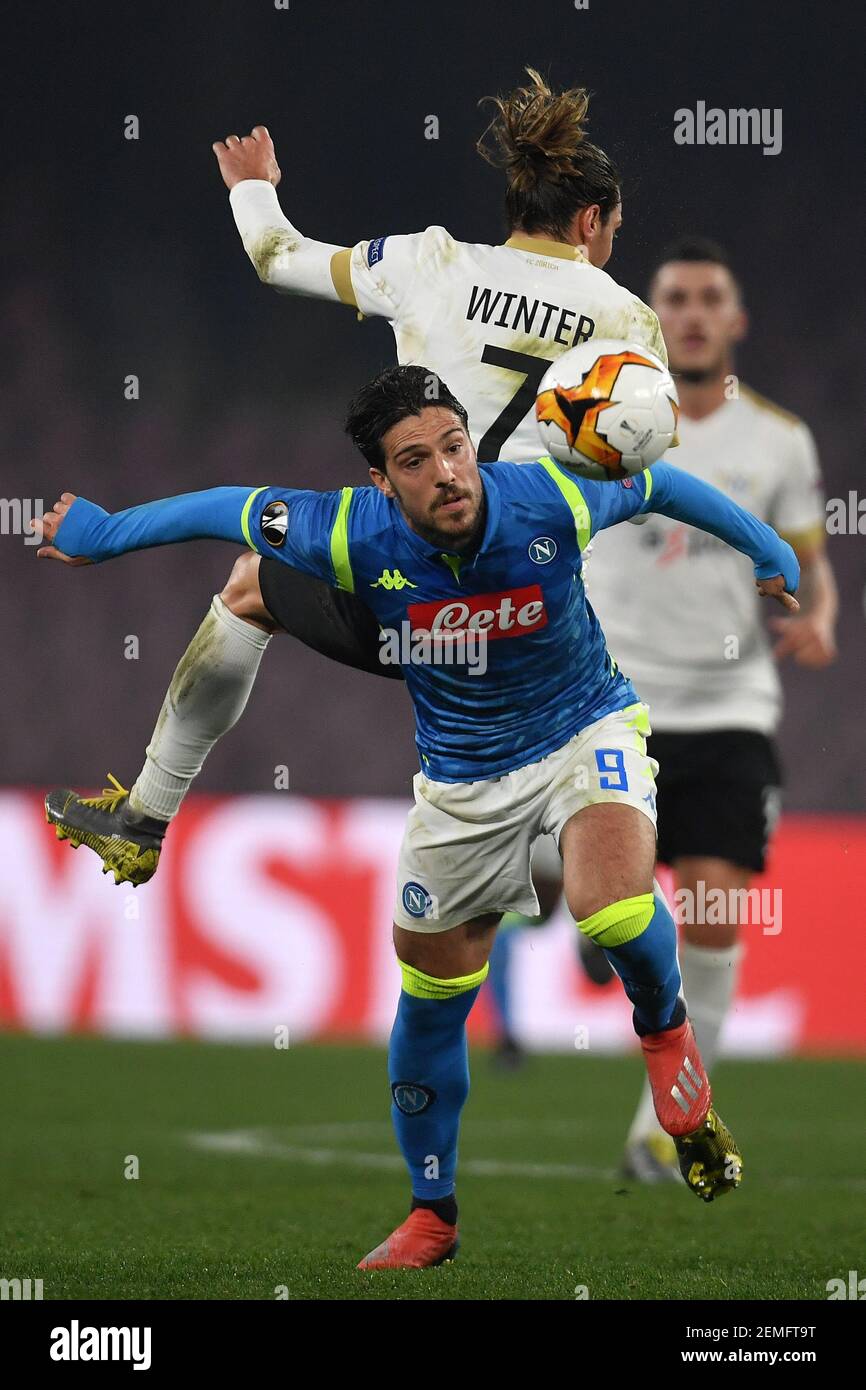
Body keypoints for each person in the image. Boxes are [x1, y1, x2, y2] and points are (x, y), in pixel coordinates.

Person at [37, 365, 801, 1266]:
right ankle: (432, 1216)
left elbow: (662, 483)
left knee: (613, 908)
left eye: (453, 446)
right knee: (431, 1009)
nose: (447, 472)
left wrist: (769, 551)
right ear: (382, 480)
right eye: (416, 460)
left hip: (583, 731)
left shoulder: (553, 492)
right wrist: (100, 533)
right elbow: (220, 508)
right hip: (462, 788)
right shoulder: (342, 532)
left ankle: (669, 1040)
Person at [40, 70, 665, 901]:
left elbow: (277, 258)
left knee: (249, 586)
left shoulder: (429, 264)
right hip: (536, 622)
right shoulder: (627, 320)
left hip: (410, 601)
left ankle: (147, 819)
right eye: (614, 228)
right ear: (591, 222)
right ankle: (570, 860)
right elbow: (638, 473)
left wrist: (253, 187)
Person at [581, 238, 836, 1181]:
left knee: (717, 911)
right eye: (675, 297)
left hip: (730, 708)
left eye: (708, 299)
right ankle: (593, 924)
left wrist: (822, 618)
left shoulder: (779, 439)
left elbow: (812, 565)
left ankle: (662, 1130)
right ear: (650, 317)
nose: (691, 313)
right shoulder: (591, 414)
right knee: (579, 882)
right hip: (609, 705)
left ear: (735, 322)